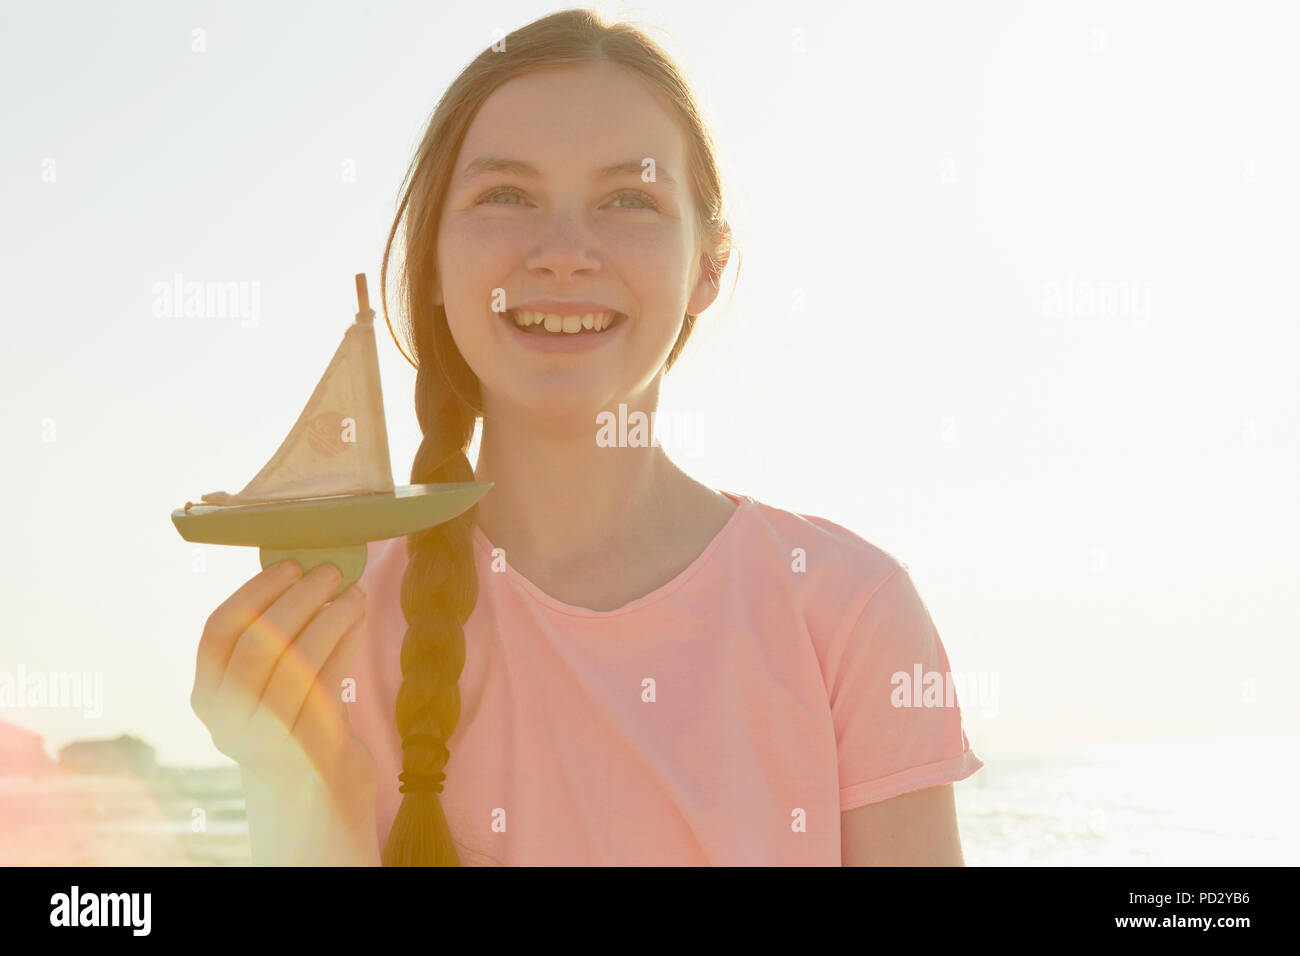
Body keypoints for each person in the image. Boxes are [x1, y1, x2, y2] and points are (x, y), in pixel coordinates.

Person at [192, 7, 983, 867]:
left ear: (708, 267)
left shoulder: (852, 615)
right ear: (432, 264)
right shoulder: (331, 625)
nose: (564, 251)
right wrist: (296, 793)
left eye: (628, 200)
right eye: (506, 196)